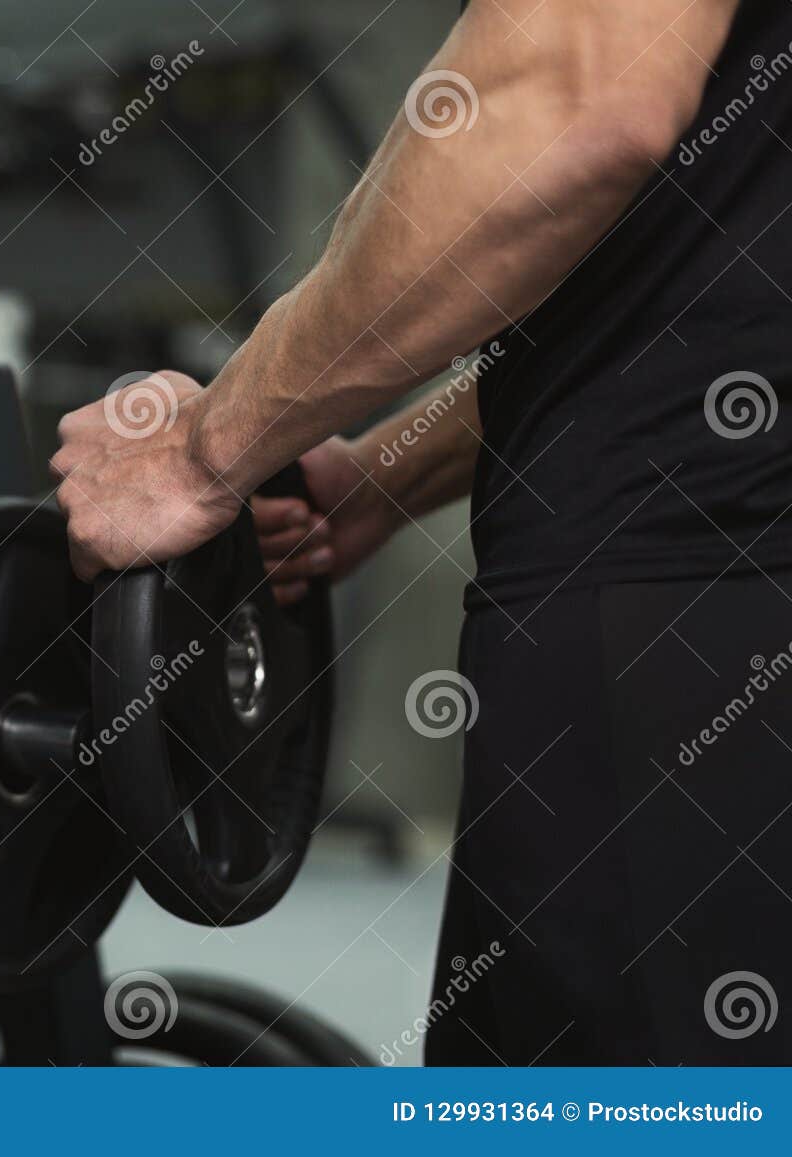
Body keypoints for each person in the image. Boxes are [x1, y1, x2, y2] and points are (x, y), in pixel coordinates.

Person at [51, 0, 792, 1064]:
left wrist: (201, 451)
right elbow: (699, 292)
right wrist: (380, 475)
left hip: (672, 615)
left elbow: (568, 104)